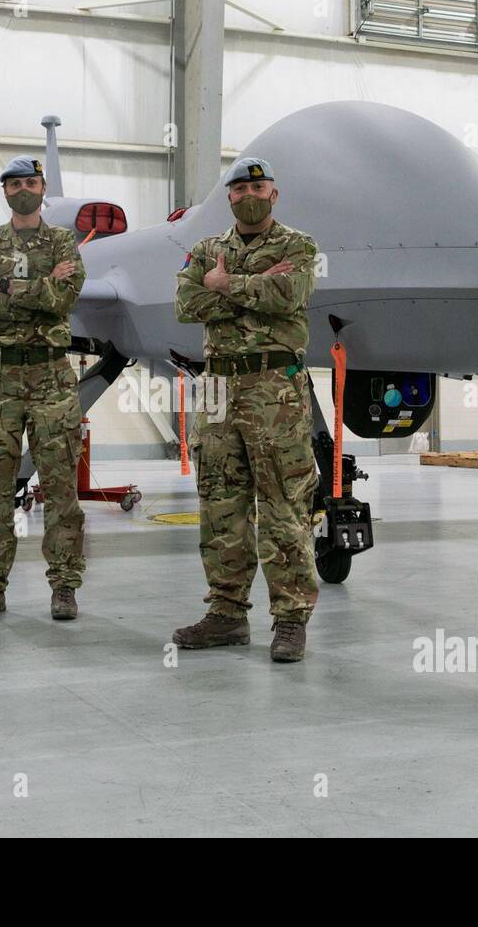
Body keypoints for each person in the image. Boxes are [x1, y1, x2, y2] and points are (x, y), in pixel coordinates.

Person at [172, 156, 320, 662]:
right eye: (238, 189)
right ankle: (226, 614)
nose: (248, 195)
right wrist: (254, 290)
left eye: (258, 187)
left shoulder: (298, 246)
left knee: (283, 502)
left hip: (273, 384)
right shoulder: (206, 249)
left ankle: (290, 619)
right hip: (216, 388)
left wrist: (225, 285)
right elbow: (185, 305)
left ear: (274, 194)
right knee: (220, 502)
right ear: (228, 198)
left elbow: (290, 293)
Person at [0, 156, 87, 621]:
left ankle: (64, 587)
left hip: (51, 377)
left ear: (43, 186)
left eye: (30, 182)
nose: (22, 189)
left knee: (60, 489)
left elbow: (66, 297)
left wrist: (7, 287)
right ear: (5, 191)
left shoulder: (62, 241)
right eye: (14, 183)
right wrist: (38, 287)